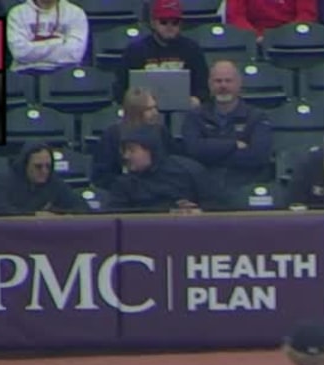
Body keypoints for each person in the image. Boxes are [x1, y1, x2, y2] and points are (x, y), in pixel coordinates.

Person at [180, 60, 276, 190]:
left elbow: (258, 156)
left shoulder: (257, 117)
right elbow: (193, 150)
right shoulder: (195, 116)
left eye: (228, 81)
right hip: (204, 187)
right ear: (209, 84)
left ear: (239, 84)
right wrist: (233, 145)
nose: (223, 86)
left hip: (245, 185)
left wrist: (210, 154)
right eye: (218, 81)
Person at [104, 126, 228, 213]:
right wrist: (168, 211)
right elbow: (116, 217)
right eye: (125, 151)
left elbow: (215, 204)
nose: (126, 156)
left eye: (132, 150)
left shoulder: (188, 170)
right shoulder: (123, 184)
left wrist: (198, 211)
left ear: (150, 150)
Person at [117, 0, 211, 106]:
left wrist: (196, 100)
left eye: (175, 22)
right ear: (153, 23)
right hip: (144, 111)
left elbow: (203, 88)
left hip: (185, 112)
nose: (169, 26)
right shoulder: (135, 50)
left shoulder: (192, 49)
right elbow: (121, 89)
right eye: (163, 22)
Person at [90, 87, 175, 192]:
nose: (155, 113)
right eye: (149, 109)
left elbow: (171, 162)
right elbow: (102, 176)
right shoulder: (113, 134)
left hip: (159, 190)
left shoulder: (161, 131)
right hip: (125, 192)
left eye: (155, 108)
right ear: (135, 111)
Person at [0, 141, 87, 216]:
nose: (44, 171)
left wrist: (56, 214)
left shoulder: (54, 182)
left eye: (48, 166)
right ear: (25, 165)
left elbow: (82, 209)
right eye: (38, 166)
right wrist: (34, 215)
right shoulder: (4, 182)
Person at [6, 0, 90, 73]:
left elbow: (74, 55)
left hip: (65, 73)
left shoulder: (76, 13)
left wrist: (33, 47)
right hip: (24, 72)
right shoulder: (17, 13)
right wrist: (59, 42)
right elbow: (20, 53)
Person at [223, 0, 319, 36]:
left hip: (291, 37)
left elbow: (306, 15)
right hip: (254, 38)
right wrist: (255, 36)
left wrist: (288, 35)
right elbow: (236, 16)